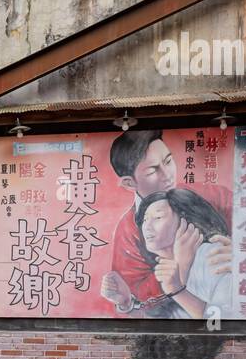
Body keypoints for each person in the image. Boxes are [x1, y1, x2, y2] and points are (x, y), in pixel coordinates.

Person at [99, 129, 234, 316]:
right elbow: (139, 300)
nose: (168, 175)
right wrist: (179, 265)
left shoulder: (211, 195)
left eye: (168, 161)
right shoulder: (128, 231)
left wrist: (245, 253)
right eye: (154, 170)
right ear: (130, 183)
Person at [134, 188, 233, 319]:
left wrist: (177, 290)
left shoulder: (214, 256)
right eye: (145, 220)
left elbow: (220, 323)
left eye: (158, 217)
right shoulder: (162, 270)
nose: (147, 226)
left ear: (184, 221)